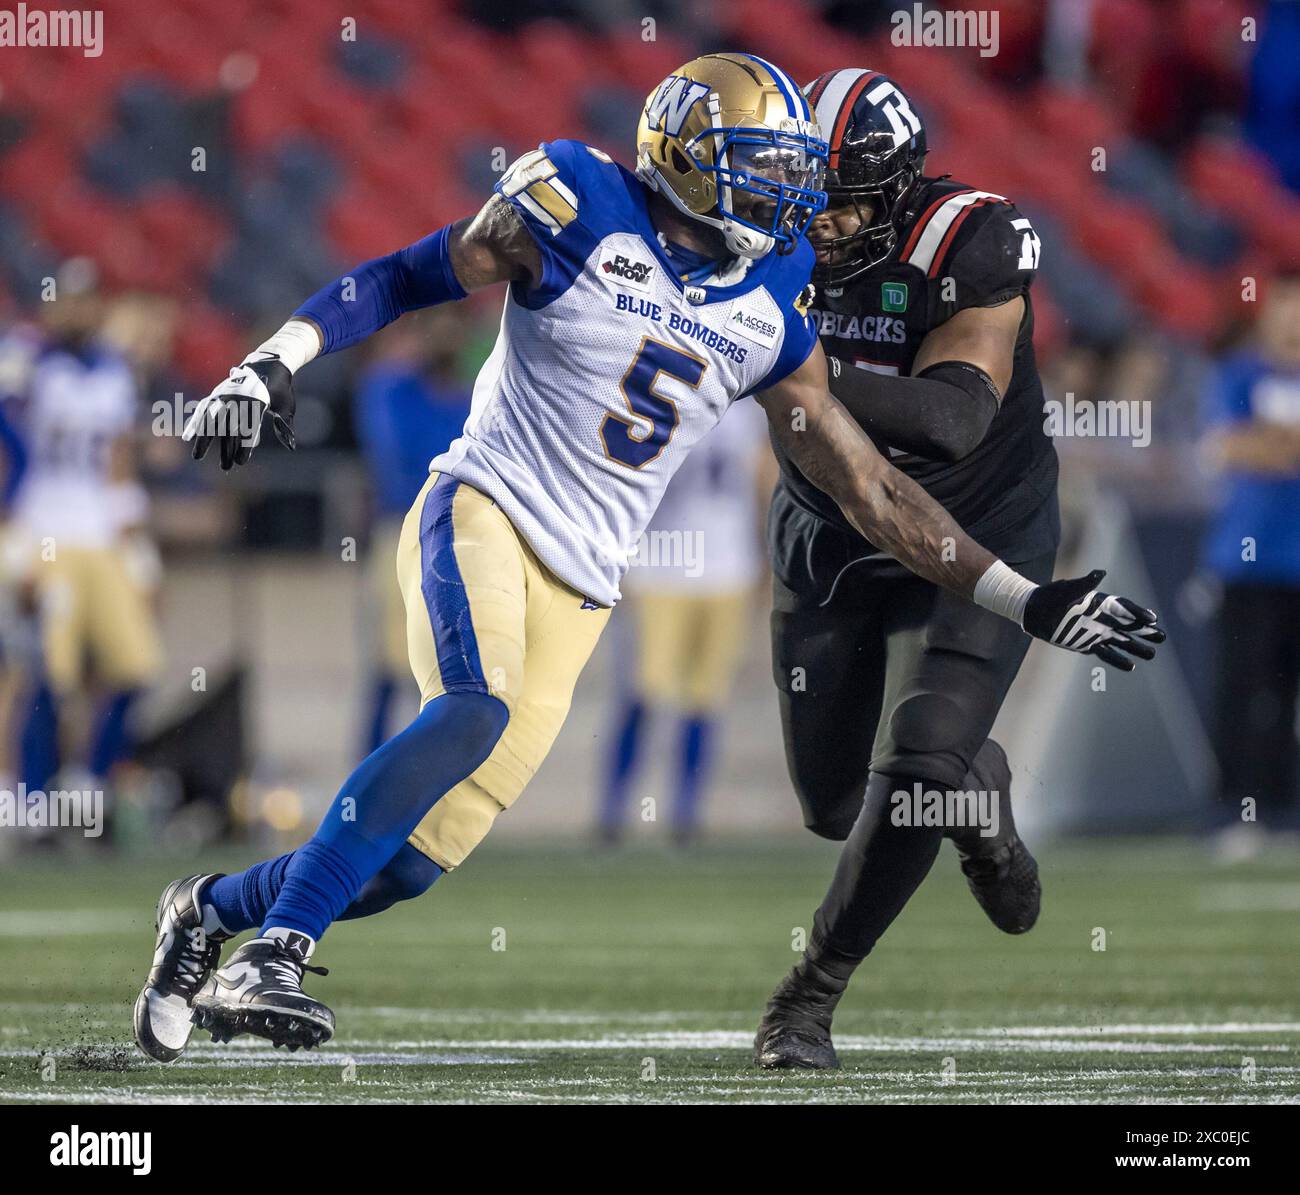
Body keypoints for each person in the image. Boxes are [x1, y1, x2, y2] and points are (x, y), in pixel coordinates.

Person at [133, 53, 1163, 1063]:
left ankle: (206, 911)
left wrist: (1022, 598)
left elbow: (876, 490)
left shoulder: (771, 296)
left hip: (583, 582)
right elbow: (402, 276)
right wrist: (270, 364)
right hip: (484, 504)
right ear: (689, 158)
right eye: (761, 164)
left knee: (411, 865)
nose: (786, 192)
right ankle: (275, 948)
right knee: (471, 709)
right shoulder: (575, 202)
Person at [753, 68, 1142, 1069]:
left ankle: (809, 996)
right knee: (835, 804)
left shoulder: (968, 239)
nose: (822, 222)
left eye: (844, 197)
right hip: (834, 521)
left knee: (920, 753)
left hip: (982, 519)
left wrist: (778, 359)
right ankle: (979, 796)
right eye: (809, 195)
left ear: (895, 187)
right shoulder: (755, 229)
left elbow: (954, 421)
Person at [597, 397, 770, 845]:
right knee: (645, 691)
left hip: (724, 569)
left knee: (703, 697)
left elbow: (762, 484)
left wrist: (766, 564)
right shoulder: (673, 404)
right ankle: (615, 811)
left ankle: (684, 813)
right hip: (663, 567)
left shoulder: (740, 413)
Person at [1201, 270, 1300, 860]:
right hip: (1249, 562)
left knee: (1287, 698)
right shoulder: (1239, 373)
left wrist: (1273, 443)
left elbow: (1257, 446)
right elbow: (1228, 447)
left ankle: (1284, 810)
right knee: (1242, 691)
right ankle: (1232, 810)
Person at [353, 311, 472, 753]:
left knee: (448, 666)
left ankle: (434, 771)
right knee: (391, 660)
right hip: (402, 530)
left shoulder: (467, 399)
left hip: (456, 538)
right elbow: (400, 463)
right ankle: (368, 769)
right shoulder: (392, 390)